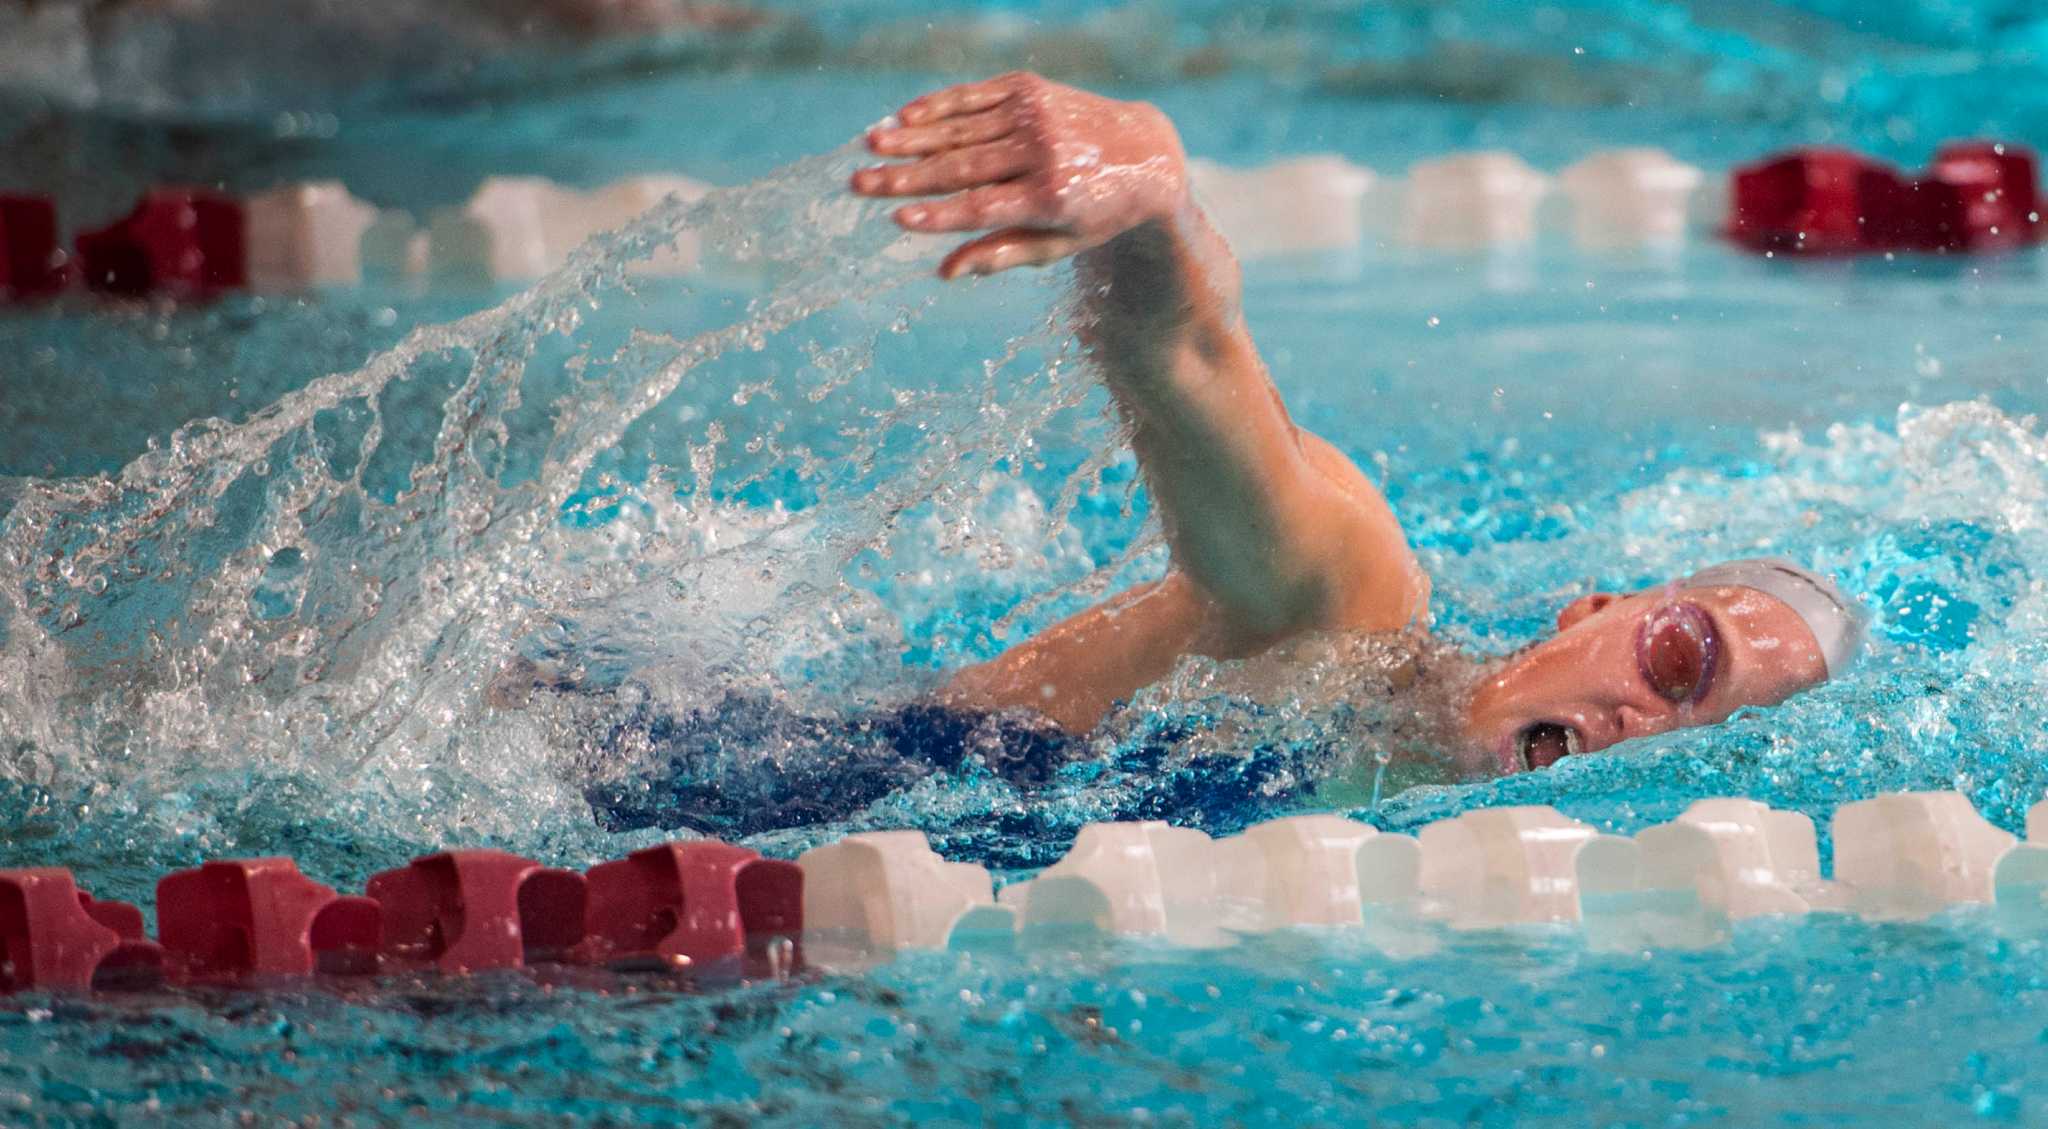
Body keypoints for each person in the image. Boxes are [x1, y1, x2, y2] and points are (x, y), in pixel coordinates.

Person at [567, 72, 1868, 839]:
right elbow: (1191, 362)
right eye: (1682, 657)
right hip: (696, 778)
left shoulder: (1404, 825)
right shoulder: (1350, 610)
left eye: (1703, 734)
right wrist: (1151, 202)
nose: (1648, 724)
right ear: (1595, 610)